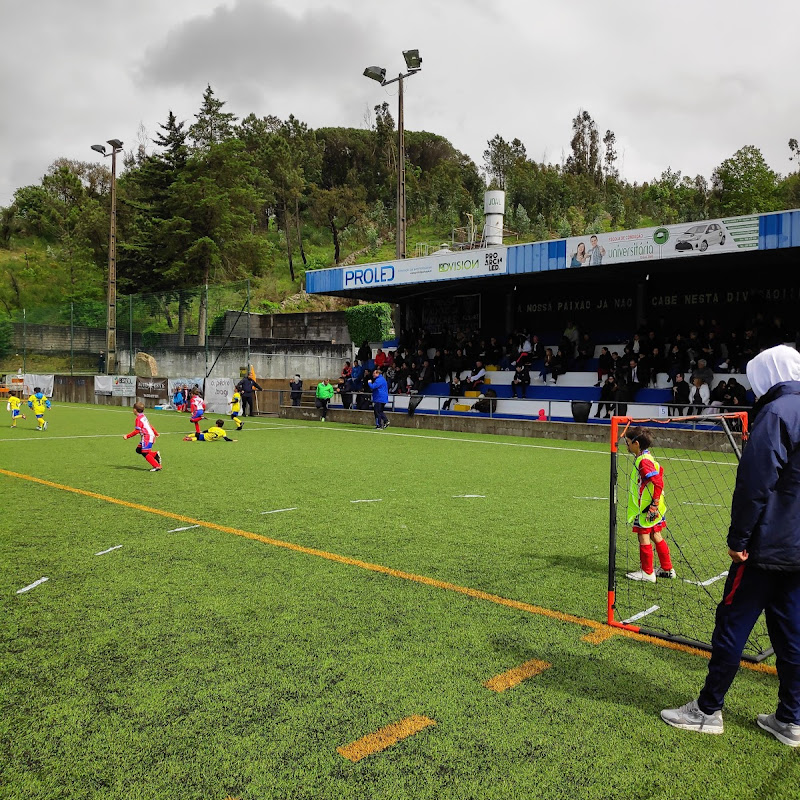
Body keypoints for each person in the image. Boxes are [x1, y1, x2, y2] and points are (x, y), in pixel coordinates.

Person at [661, 345, 800, 745]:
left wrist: (739, 537)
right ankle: (790, 718)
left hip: (765, 546)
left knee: (733, 624)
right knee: (791, 632)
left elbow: (755, 482)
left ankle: (707, 710)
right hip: (796, 548)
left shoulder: (776, 414)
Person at [623, 427, 675, 582]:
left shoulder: (644, 461)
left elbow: (658, 480)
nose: (627, 446)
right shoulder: (646, 456)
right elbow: (661, 471)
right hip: (654, 506)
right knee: (655, 535)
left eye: (628, 443)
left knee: (643, 536)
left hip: (647, 507)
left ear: (636, 443)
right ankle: (667, 569)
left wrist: (654, 502)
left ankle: (647, 573)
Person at [123, 401, 162, 471]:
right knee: (138, 450)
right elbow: (149, 426)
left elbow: (137, 431)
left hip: (147, 437)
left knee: (144, 452)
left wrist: (127, 436)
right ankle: (155, 454)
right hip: (149, 436)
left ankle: (156, 466)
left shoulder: (138, 419)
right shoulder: (143, 416)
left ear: (135, 410)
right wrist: (155, 433)